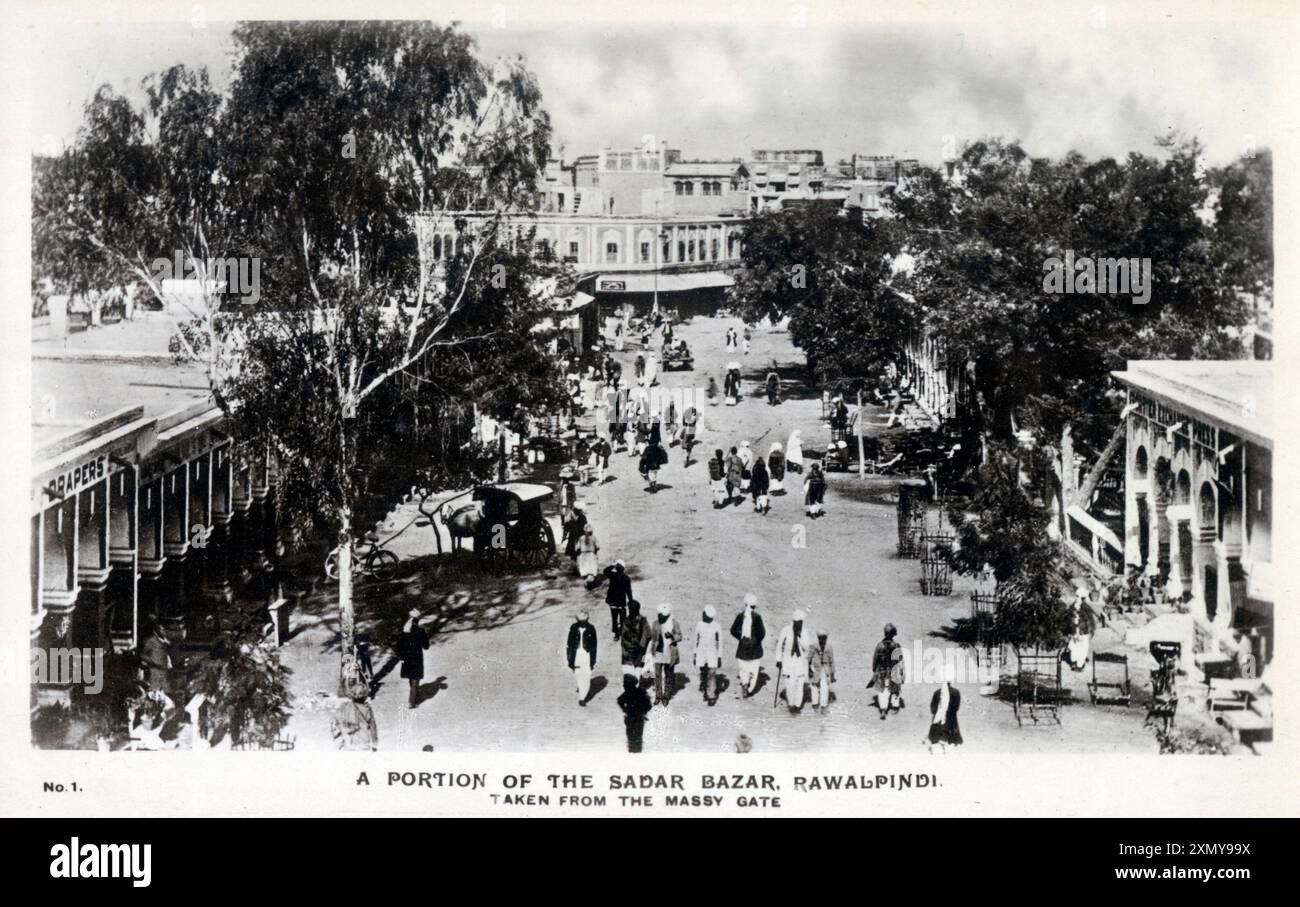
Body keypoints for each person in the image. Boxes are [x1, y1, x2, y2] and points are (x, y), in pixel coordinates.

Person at [776, 610, 814, 713]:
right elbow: (780, 645)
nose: (799, 624)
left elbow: (807, 647)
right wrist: (779, 659)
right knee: (789, 683)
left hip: (800, 661)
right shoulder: (785, 630)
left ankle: (797, 706)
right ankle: (791, 704)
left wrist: (799, 638)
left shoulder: (804, 632)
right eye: (797, 622)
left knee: (800, 683)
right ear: (793, 621)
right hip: (788, 660)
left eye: (801, 622)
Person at [730, 593, 765, 697]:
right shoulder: (757, 617)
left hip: (743, 646)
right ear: (755, 606)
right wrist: (756, 641)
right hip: (755, 647)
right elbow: (762, 633)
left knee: (743, 668)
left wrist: (740, 638)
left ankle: (745, 684)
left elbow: (733, 630)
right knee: (754, 670)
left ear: (745, 604)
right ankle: (750, 689)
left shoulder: (740, 616)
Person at [331, 680, 379, 751]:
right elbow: (373, 727)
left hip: (348, 743)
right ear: (364, 696)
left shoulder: (344, 707)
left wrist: (337, 737)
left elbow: (335, 722)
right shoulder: (367, 709)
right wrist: (375, 743)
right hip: (363, 743)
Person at [871, 623, 906, 719]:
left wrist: (874, 669)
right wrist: (902, 673)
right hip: (894, 672)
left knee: (883, 690)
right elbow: (900, 661)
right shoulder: (897, 646)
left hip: (882, 671)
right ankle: (895, 706)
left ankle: (883, 709)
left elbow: (875, 659)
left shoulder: (879, 645)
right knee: (895, 689)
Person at [650, 604, 682, 705]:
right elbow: (653, 639)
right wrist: (652, 651)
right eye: (659, 615)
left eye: (663, 615)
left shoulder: (674, 623)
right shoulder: (655, 624)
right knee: (657, 675)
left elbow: (680, 636)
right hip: (658, 652)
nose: (660, 617)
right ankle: (658, 695)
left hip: (669, 652)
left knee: (669, 674)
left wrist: (672, 635)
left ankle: (666, 696)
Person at [398, 610, 430, 709]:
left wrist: (402, 656)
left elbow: (399, 645)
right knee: (416, 678)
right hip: (417, 657)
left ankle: (414, 696)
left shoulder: (404, 629)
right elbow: (426, 646)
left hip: (407, 658)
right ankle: (412, 701)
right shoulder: (421, 631)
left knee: (411, 678)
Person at [927, 663, 963, 753]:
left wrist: (938, 713)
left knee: (936, 747)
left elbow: (932, 708)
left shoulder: (937, 693)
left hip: (937, 726)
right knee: (951, 748)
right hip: (951, 724)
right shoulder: (956, 692)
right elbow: (956, 708)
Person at [566, 610, 598, 706]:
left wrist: (593, 660)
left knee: (586, 675)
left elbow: (594, 645)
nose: (582, 623)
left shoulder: (591, 628)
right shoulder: (573, 627)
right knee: (577, 674)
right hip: (576, 654)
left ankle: (582, 697)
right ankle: (580, 687)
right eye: (580, 621)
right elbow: (569, 643)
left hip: (587, 654)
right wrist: (569, 657)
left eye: (584, 621)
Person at [693, 605, 723, 706]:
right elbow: (695, 640)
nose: (703, 616)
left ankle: (711, 695)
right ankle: (705, 690)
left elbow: (720, 642)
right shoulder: (699, 624)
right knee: (703, 673)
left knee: (712, 674)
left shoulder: (716, 626)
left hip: (712, 653)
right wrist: (695, 654)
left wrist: (719, 656)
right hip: (701, 652)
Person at [618, 675, 653, 753]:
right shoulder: (641, 692)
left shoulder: (626, 693)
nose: (623, 685)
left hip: (629, 717)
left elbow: (619, 701)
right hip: (639, 717)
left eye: (624, 684)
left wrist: (625, 709)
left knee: (630, 735)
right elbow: (649, 705)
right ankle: (637, 750)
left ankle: (631, 749)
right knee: (638, 734)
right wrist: (644, 711)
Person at [619, 599, 652, 676]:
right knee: (628, 674)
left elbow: (648, 635)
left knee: (636, 673)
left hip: (638, 652)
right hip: (628, 651)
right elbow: (623, 636)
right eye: (630, 609)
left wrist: (641, 647)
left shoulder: (642, 621)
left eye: (631, 609)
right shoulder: (626, 621)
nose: (630, 611)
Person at [603, 560, 634, 640]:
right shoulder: (626, 578)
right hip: (621, 602)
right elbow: (629, 591)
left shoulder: (613, 575)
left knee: (614, 619)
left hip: (613, 601)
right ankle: (622, 633)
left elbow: (605, 571)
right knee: (622, 618)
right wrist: (630, 601)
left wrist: (612, 565)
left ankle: (617, 634)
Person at [808, 630, 836, 715]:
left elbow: (832, 661)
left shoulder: (829, 647)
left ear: (826, 638)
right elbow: (808, 659)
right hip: (816, 669)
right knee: (814, 686)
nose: (822, 640)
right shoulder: (813, 646)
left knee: (824, 687)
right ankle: (815, 704)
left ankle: (823, 705)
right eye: (820, 638)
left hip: (825, 669)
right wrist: (809, 669)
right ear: (818, 638)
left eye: (824, 638)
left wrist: (833, 673)